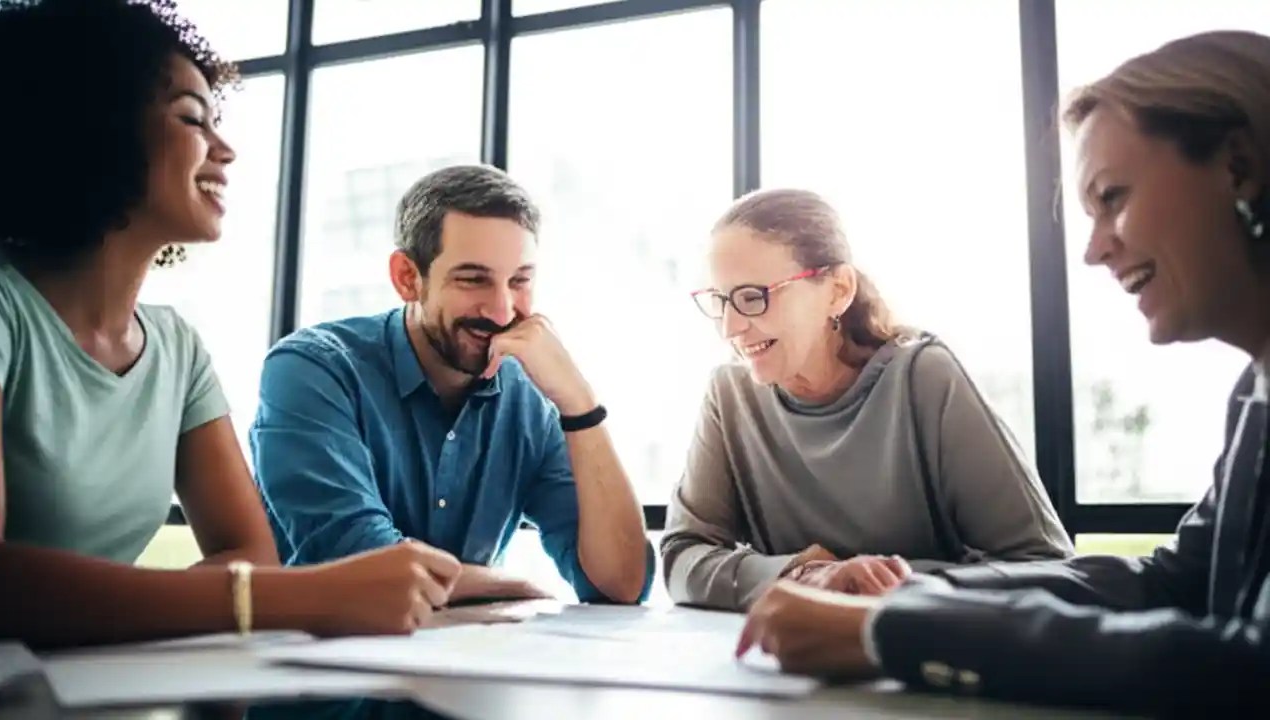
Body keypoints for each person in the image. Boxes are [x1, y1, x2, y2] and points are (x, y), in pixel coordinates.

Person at [736, 30, 1270, 716]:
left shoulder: (922, 372)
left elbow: (1249, 667)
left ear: (1239, 165)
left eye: (1111, 198)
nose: (1093, 250)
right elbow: (1177, 580)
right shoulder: (1255, 388)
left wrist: (893, 629)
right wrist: (923, 596)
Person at [0, 0, 463, 649]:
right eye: (191, 119)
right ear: (93, 127)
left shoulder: (177, 348)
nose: (227, 149)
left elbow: (250, 552)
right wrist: (314, 594)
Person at [249, 164, 654, 605]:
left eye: (520, 280)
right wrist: (513, 586)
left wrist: (580, 404)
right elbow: (363, 566)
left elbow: (623, 585)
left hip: (467, 662)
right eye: (473, 279)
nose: (502, 312)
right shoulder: (313, 370)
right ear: (408, 277)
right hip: (311, 663)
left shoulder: (530, 395)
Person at [660, 188, 1072, 612]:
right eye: (720, 300)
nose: (730, 328)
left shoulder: (923, 379)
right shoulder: (730, 395)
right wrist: (802, 574)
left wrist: (887, 586)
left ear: (838, 290)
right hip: (792, 666)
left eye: (752, 297)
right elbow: (682, 556)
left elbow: (1048, 567)